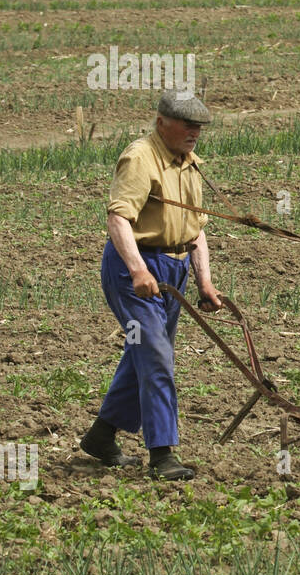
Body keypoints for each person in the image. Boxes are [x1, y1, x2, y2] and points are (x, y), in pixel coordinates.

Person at [81, 89, 222, 480]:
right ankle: (162, 455)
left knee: (143, 352)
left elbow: (196, 230)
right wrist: (139, 270)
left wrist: (204, 281)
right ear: (162, 123)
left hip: (173, 270)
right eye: (187, 124)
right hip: (135, 273)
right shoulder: (140, 158)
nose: (195, 132)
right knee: (157, 356)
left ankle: (101, 436)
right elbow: (118, 219)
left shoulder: (190, 163)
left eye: (199, 126)